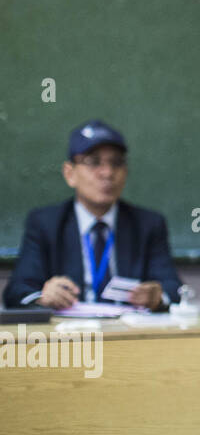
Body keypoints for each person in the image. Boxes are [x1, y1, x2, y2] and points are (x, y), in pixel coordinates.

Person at [3, 120, 184, 310]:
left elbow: (174, 289)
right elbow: (16, 292)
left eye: (116, 163)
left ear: (126, 171)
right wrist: (43, 297)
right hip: (72, 335)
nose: (107, 173)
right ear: (70, 173)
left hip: (128, 334)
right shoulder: (45, 223)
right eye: (93, 162)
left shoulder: (148, 224)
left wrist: (157, 295)